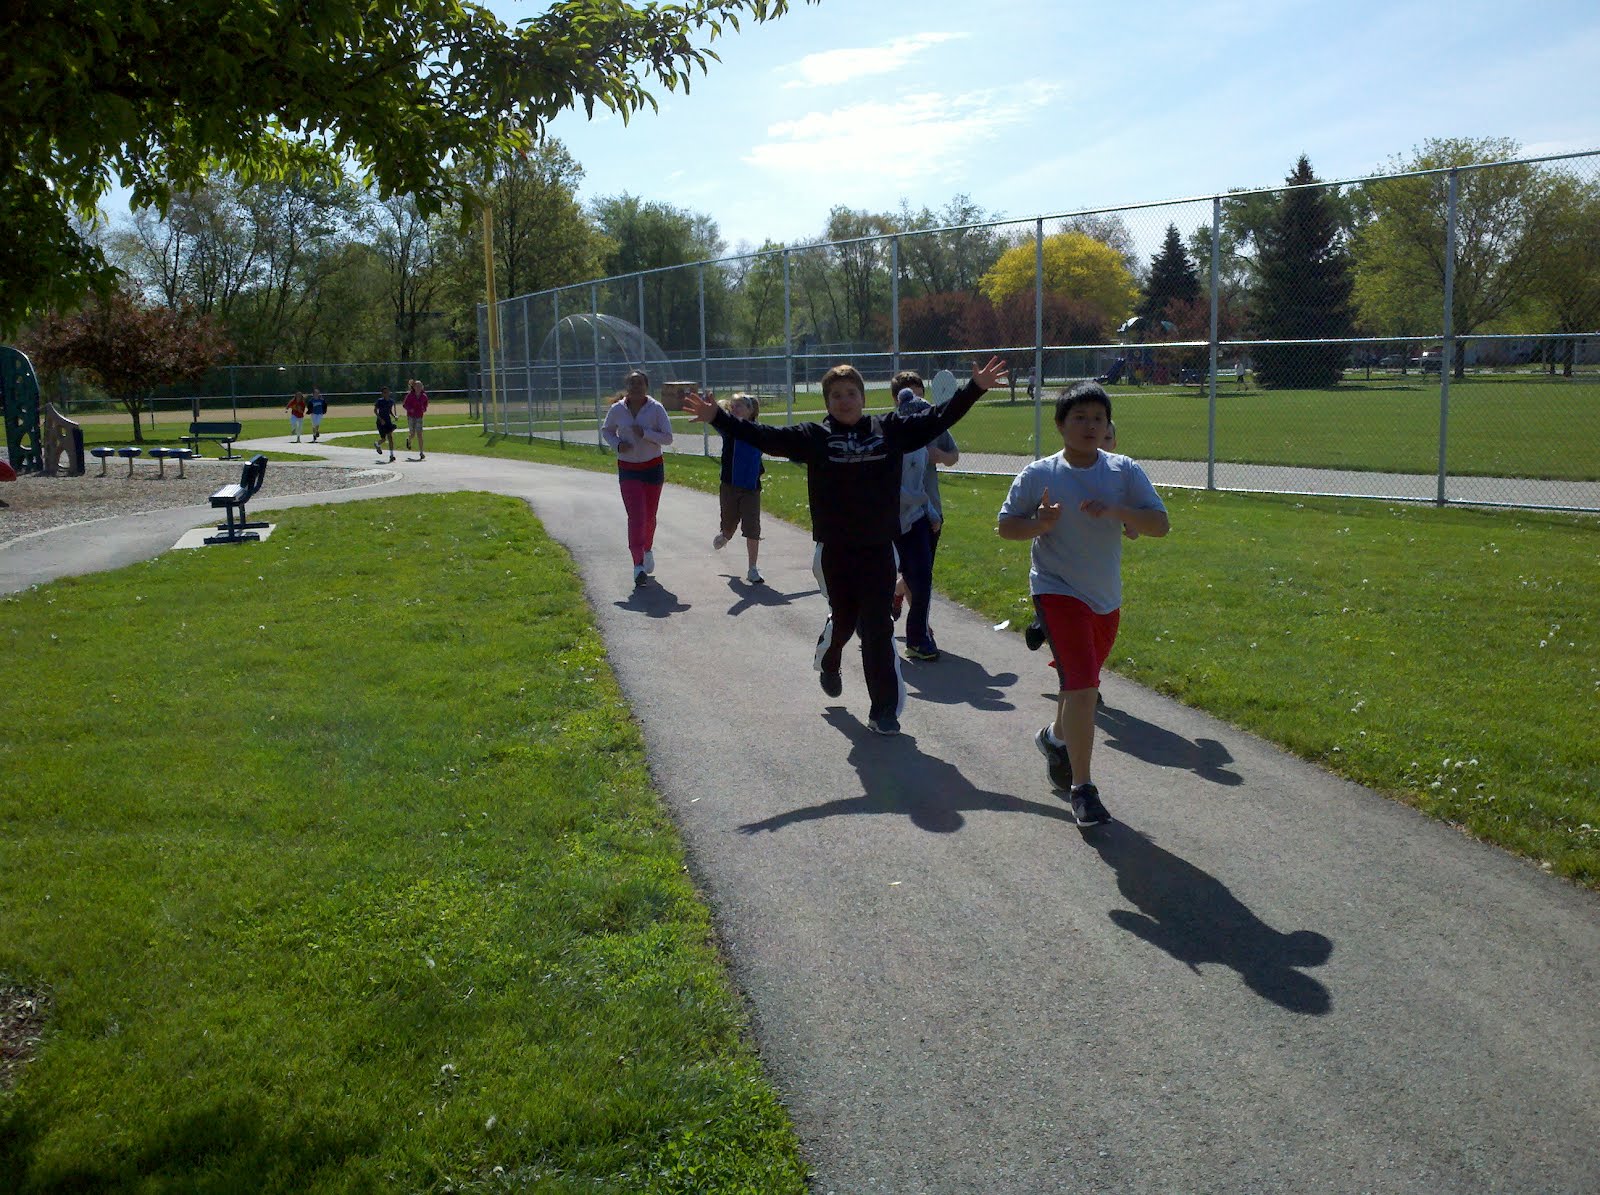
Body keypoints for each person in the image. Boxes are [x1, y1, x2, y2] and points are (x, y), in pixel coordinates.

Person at [682, 356, 1007, 736]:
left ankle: (882, 710)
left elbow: (938, 418)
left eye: (851, 393)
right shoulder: (814, 436)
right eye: (836, 395)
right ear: (827, 401)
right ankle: (831, 657)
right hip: (835, 552)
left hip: (878, 550)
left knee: (877, 629)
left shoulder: (890, 430)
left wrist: (975, 388)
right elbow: (765, 437)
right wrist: (718, 418)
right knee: (845, 621)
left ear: (863, 398)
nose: (844, 400)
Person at [997, 384, 1169, 826]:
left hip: (1104, 597)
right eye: (1079, 417)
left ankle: (1055, 739)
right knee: (1084, 687)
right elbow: (1006, 527)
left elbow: (1160, 524)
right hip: (1056, 589)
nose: (1090, 425)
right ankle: (1083, 788)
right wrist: (1040, 523)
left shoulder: (1123, 471)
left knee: (1081, 685)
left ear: (1108, 425)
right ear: (1060, 425)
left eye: (1098, 418)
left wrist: (1116, 511)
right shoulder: (1040, 474)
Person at [1024, 419, 1122, 651]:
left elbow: (1134, 523)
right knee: (1073, 631)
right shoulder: (1063, 471)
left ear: (1115, 443)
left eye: (1107, 439)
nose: (1100, 443)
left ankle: (1077, 675)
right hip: (1058, 569)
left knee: (1088, 624)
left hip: (1095, 570)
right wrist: (1043, 519)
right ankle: (1081, 682)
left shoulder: (1119, 476)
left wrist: (1131, 523)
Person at [601, 369, 674, 586]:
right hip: (628, 468)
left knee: (649, 517)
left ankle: (647, 548)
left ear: (646, 387)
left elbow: (668, 437)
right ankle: (637, 565)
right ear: (627, 387)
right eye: (632, 384)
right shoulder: (617, 410)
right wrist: (617, 445)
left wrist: (646, 434)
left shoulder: (656, 409)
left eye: (640, 383)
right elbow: (606, 431)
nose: (636, 387)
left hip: (653, 468)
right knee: (636, 517)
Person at [711, 392, 766, 585]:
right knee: (729, 523)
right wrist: (713, 407)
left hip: (751, 489)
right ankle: (726, 535)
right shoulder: (729, 430)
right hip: (729, 486)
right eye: (732, 406)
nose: (734, 409)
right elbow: (716, 416)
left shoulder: (760, 432)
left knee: (752, 528)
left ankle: (752, 568)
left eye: (739, 406)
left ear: (751, 411)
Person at [402, 378, 429, 459]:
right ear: (414, 387)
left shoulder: (424, 396)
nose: (418, 387)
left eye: (420, 386)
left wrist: (424, 408)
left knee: (419, 434)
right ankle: (409, 440)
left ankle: (421, 452)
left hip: (419, 416)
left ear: (422, 387)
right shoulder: (410, 395)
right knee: (412, 433)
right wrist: (410, 409)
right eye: (417, 386)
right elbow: (404, 405)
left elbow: (425, 405)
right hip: (411, 416)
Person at [373, 386, 398, 462]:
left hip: (388, 421)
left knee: (390, 437)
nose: (386, 394)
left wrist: (394, 416)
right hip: (380, 422)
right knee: (383, 439)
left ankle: (391, 455)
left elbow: (389, 410)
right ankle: (377, 444)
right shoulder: (380, 401)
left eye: (387, 392)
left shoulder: (391, 401)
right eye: (384, 392)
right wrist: (381, 419)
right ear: (382, 394)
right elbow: (375, 411)